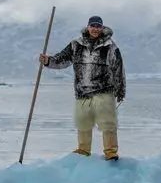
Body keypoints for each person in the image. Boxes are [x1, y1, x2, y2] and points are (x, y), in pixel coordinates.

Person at [40, 15, 126, 160]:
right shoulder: (76, 45)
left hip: (104, 91)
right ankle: (83, 150)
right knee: (83, 123)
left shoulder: (110, 47)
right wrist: (48, 61)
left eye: (98, 26)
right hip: (82, 92)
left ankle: (111, 152)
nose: (95, 29)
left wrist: (120, 89)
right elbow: (62, 59)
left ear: (102, 28)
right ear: (88, 27)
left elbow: (119, 69)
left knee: (108, 124)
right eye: (93, 26)